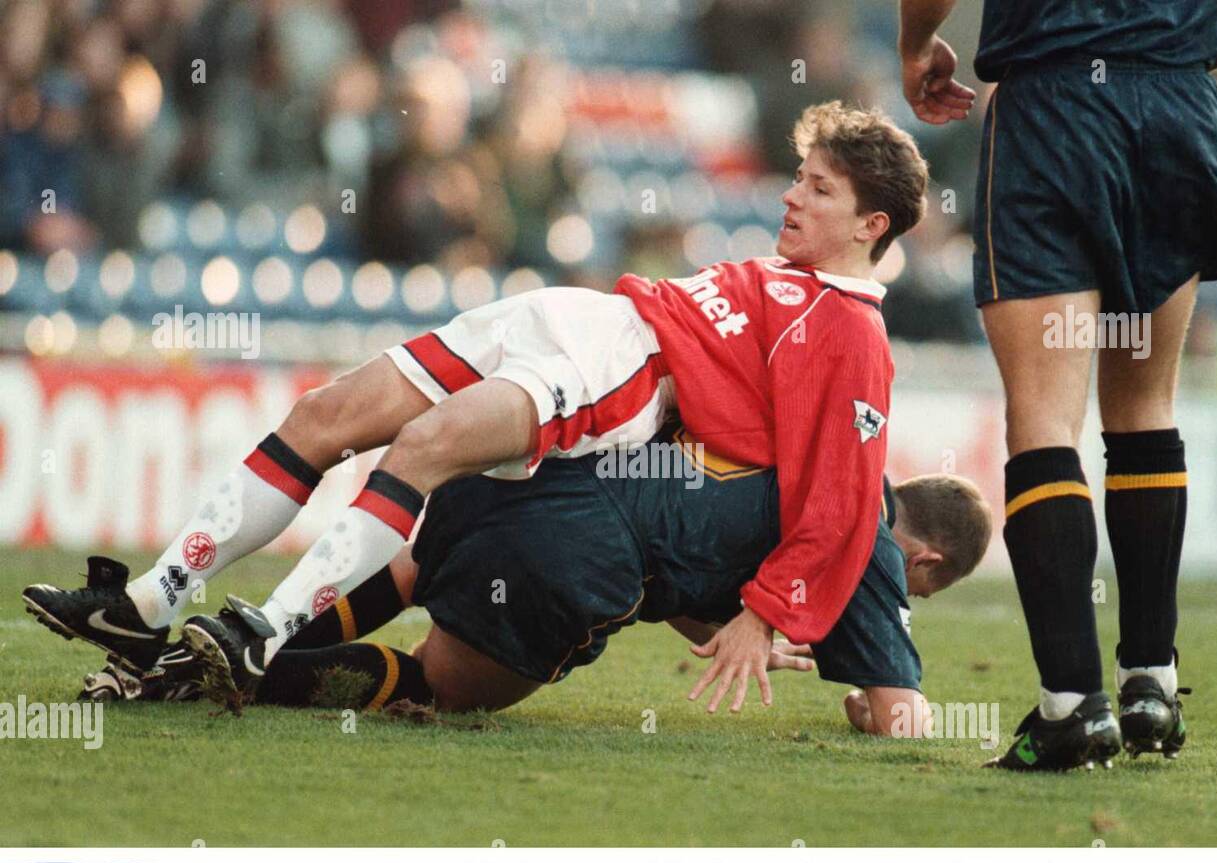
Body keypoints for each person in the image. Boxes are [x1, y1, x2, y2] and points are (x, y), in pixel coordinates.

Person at [25, 100, 930, 714]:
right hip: (578, 314)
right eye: (799, 176)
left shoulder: (852, 336)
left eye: (819, 188)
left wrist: (767, 612)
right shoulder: (791, 280)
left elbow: (841, 498)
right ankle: (150, 600)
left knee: (423, 448)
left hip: (624, 368)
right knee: (325, 416)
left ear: (871, 226)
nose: (790, 194)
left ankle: (268, 630)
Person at [896, 0, 1217, 770]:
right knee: (1146, 405)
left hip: (1054, 102)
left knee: (1045, 419)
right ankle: (1151, 681)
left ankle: (1072, 708)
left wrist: (917, 44)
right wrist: (1178, 50)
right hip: (1177, 105)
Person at [78, 424, 993, 737]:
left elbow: (691, 550)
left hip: (524, 471)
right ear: (927, 563)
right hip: (573, 557)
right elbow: (898, 713)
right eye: (917, 593)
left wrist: (726, 625)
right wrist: (871, 707)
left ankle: (234, 638)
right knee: (440, 680)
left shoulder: (801, 452)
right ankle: (247, 674)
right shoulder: (866, 537)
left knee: (421, 563)